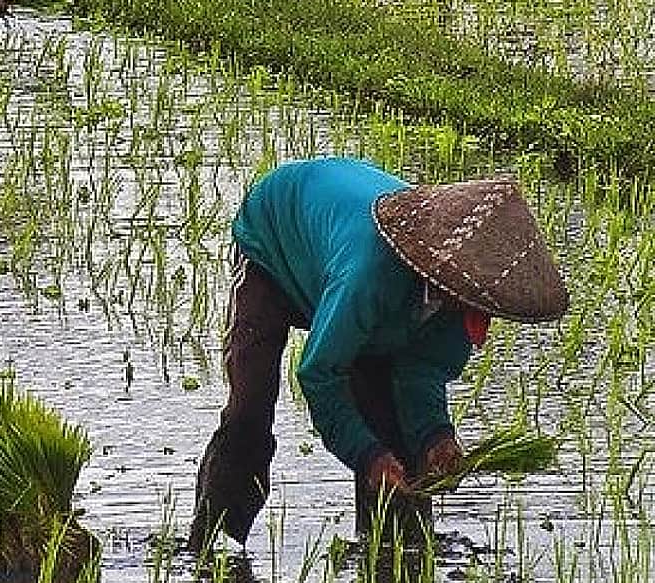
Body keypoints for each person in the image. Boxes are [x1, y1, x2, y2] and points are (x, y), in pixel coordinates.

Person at [188, 157, 569, 552]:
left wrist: (436, 437)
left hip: (344, 266)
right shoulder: (368, 277)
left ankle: (390, 551)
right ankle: (210, 548)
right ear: (446, 280)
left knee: (395, 434)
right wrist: (367, 456)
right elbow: (320, 373)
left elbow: (422, 371)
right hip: (274, 241)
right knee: (250, 412)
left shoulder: (463, 298)